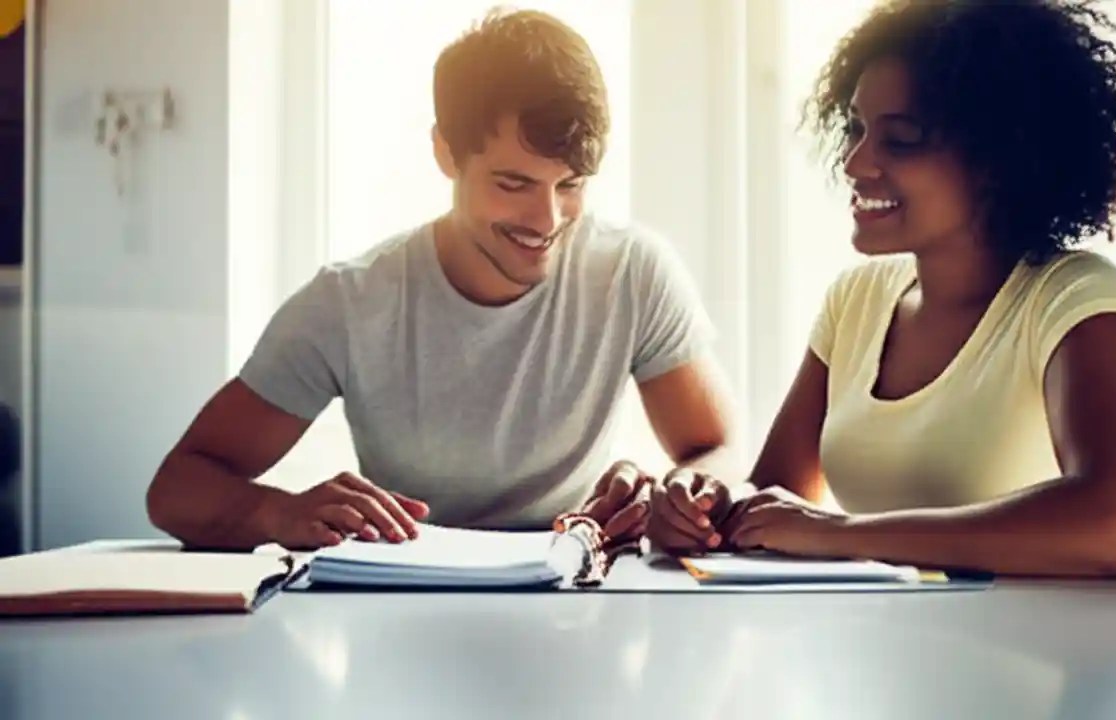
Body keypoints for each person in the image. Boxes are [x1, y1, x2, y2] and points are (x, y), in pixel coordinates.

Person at [147, 8, 734, 551]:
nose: (547, 220)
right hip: (404, 601)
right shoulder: (349, 303)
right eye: (514, 184)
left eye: (570, 185)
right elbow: (176, 489)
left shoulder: (633, 271)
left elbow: (720, 450)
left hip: (575, 591)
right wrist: (279, 515)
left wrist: (681, 492)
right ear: (446, 153)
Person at [649, 0, 1116, 578]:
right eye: (855, 130)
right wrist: (704, 507)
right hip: (878, 658)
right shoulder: (855, 302)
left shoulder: (1073, 300)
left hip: (1024, 660)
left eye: (900, 140)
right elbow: (773, 502)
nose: (854, 162)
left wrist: (846, 536)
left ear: (997, 158)